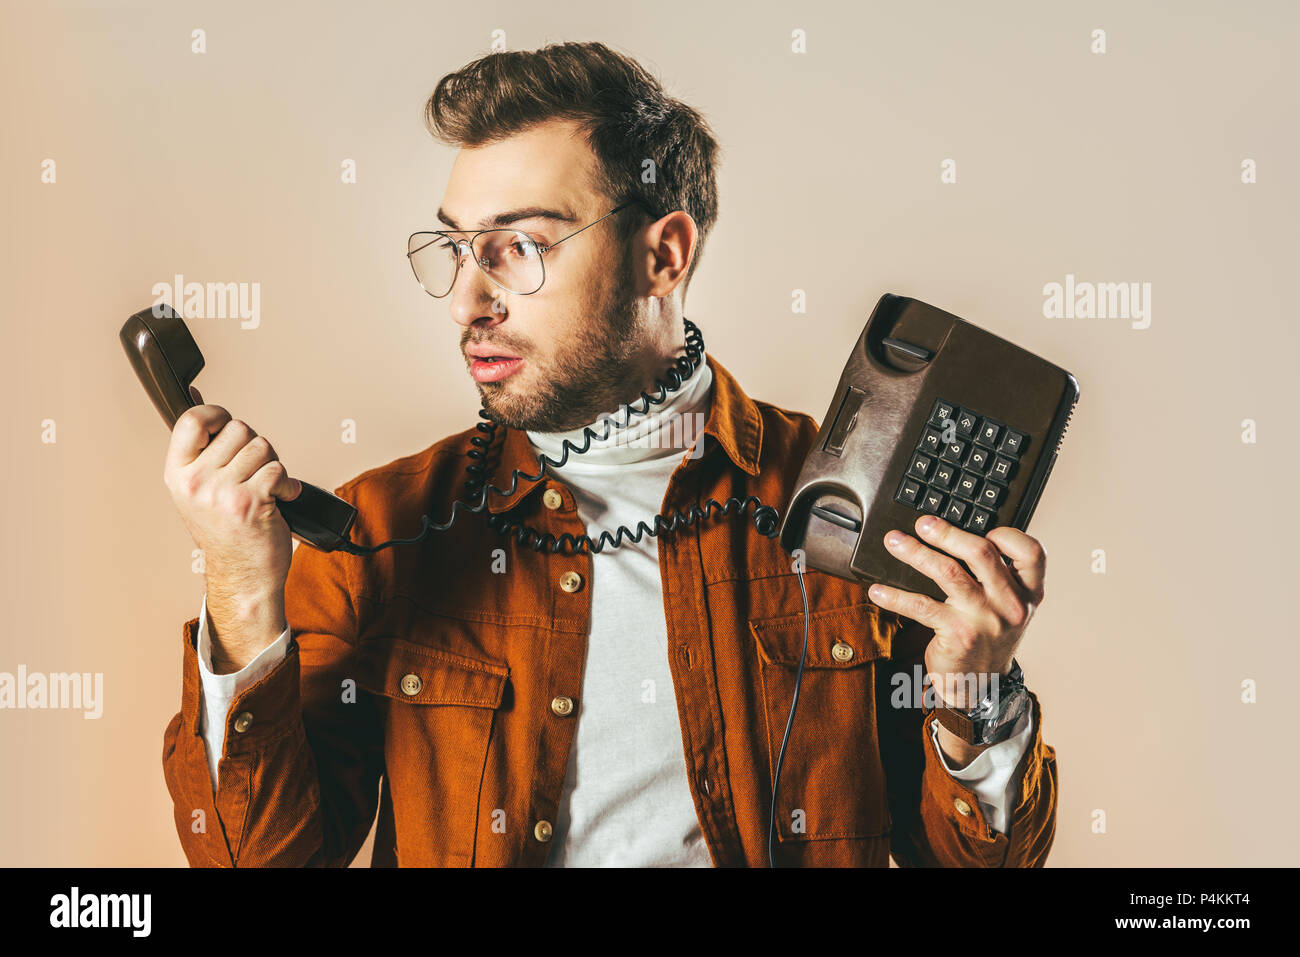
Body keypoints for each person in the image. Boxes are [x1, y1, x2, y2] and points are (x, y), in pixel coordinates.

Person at [160, 40, 1057, 867]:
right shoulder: (381, 530)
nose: (466, 300)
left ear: (662, 254)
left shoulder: (841, 511)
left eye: (518, 247)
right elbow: (255, 859)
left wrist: (973, 697)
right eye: (457, 248)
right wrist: (240, 586)